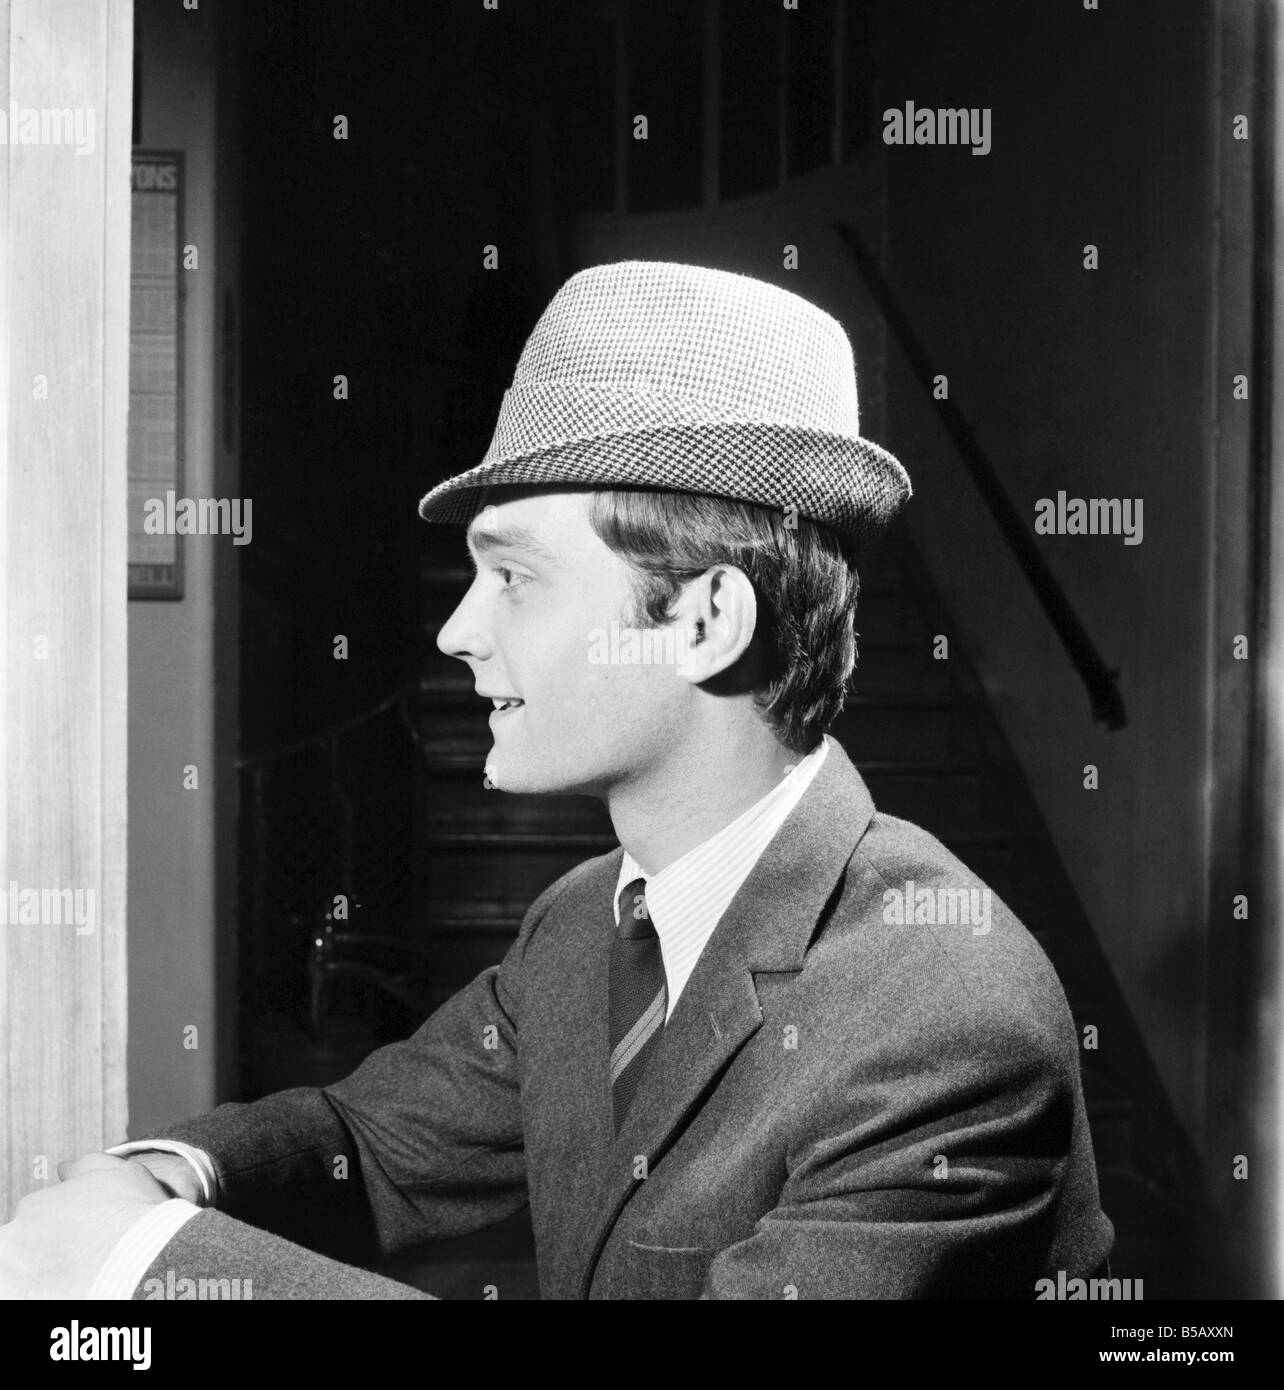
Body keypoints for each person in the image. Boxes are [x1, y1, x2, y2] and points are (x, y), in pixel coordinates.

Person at [0, 261, 1113, 1299]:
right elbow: (371, 1145)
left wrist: (146, 1267)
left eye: (514, 576)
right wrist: (165, 1176)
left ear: (702, 619)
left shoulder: (948, 1016)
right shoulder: (587, 924)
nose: (455, 630)